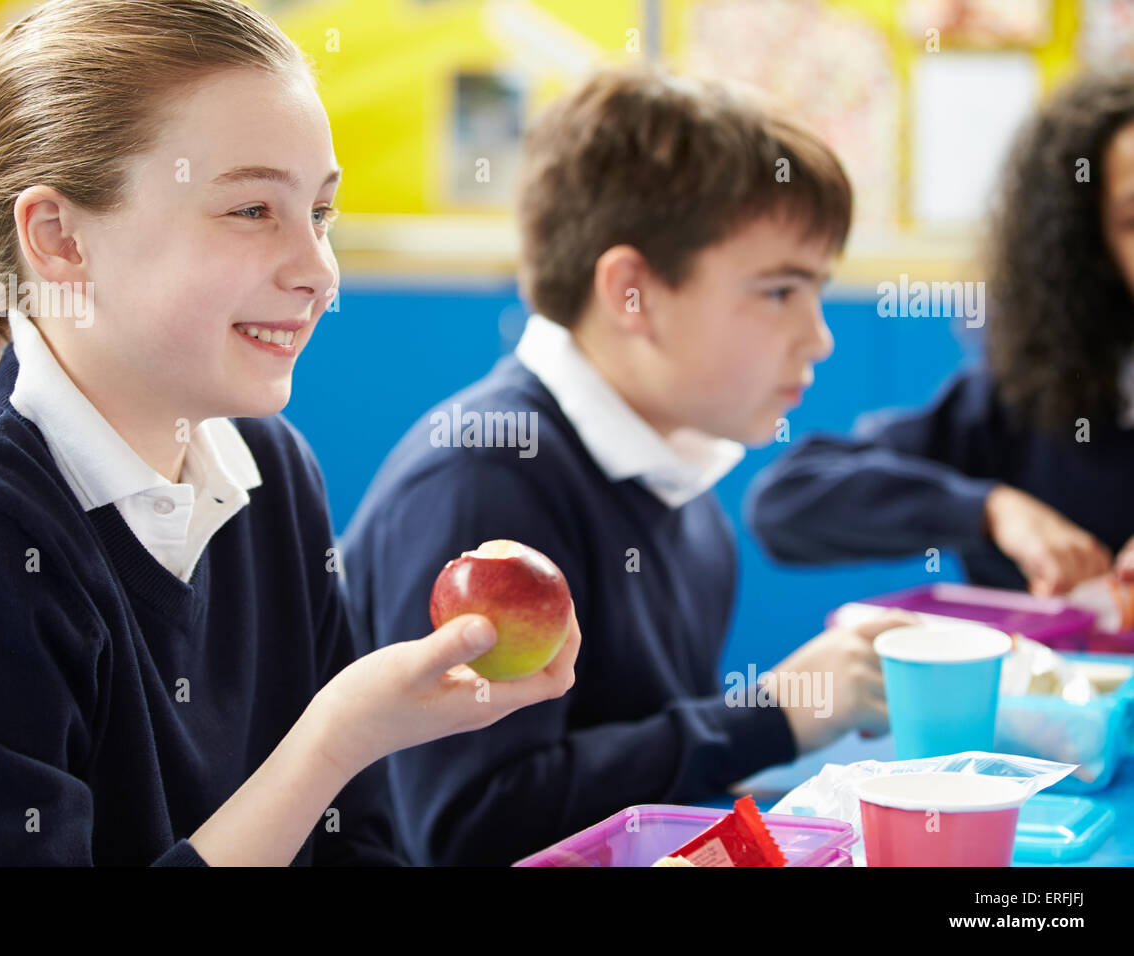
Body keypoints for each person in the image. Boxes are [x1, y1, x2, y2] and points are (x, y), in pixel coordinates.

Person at [0, 0, 578, 867]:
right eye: (252, 210)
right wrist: (332, 742)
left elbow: (353, 849)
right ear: (58, 237)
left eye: (321, 214)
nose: (318, 271)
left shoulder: (269, 470)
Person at [341, 66, 909, 867]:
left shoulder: (683, 485)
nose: (820, 338)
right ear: (631, 292)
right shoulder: (484, 480)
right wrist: (768, 716)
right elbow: (469, 831)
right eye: (781, 290)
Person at [747, 69, 1134, 599]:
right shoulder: (1017, 405)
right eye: (1133, 220)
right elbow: (785, 502)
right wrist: (990, 509)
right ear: (1090, 249)